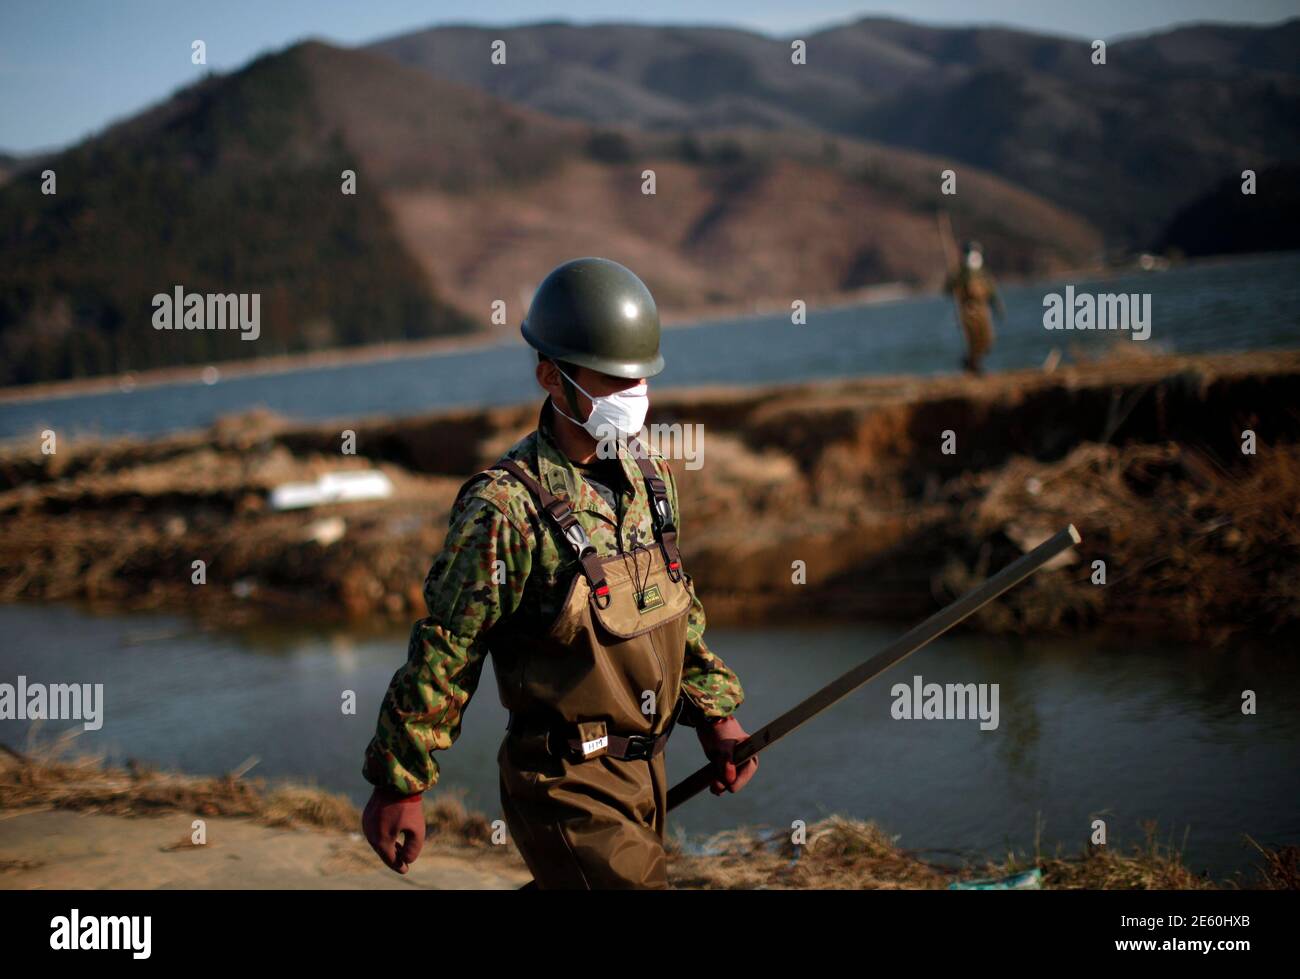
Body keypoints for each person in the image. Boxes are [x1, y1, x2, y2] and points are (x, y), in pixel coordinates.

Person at [360, 256, 758, 889]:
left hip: (644, 775)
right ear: (551, 376)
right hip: (565, 783)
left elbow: (675, 610)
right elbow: (448, 649)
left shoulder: (650, 479)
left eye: (639, 380)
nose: (634, 398)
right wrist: (400, 785)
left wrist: (713, 713)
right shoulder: (505, 508)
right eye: (611, 380)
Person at [945, 240, 1005, 374]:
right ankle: (973, 366)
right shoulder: (959, 273)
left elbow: (992, 293)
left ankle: (971, 363)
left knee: (987, 340)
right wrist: (952, 278)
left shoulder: (983, 274)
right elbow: (948, 290)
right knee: (974, 340)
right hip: (968, 311)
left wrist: (998, 308)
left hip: (983, 310)